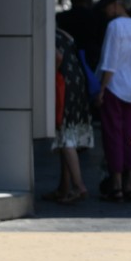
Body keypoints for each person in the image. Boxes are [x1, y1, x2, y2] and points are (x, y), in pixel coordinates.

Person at [97, 0, 131, 202]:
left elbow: (110, 62)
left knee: (113, 137)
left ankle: (117, 184)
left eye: (108, 5)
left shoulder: (114, 26)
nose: (106, 10)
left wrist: (100, 90)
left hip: (114, 88)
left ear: (117, 3)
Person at [43, 28, 95, 204]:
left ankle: (79, 186)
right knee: (69, 133)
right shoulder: (65, 34)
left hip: (63, 87)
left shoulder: (49, 34)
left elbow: (57, 56)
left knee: (65, 137)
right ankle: (64, 188)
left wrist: (51, 74)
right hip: (77, 85)